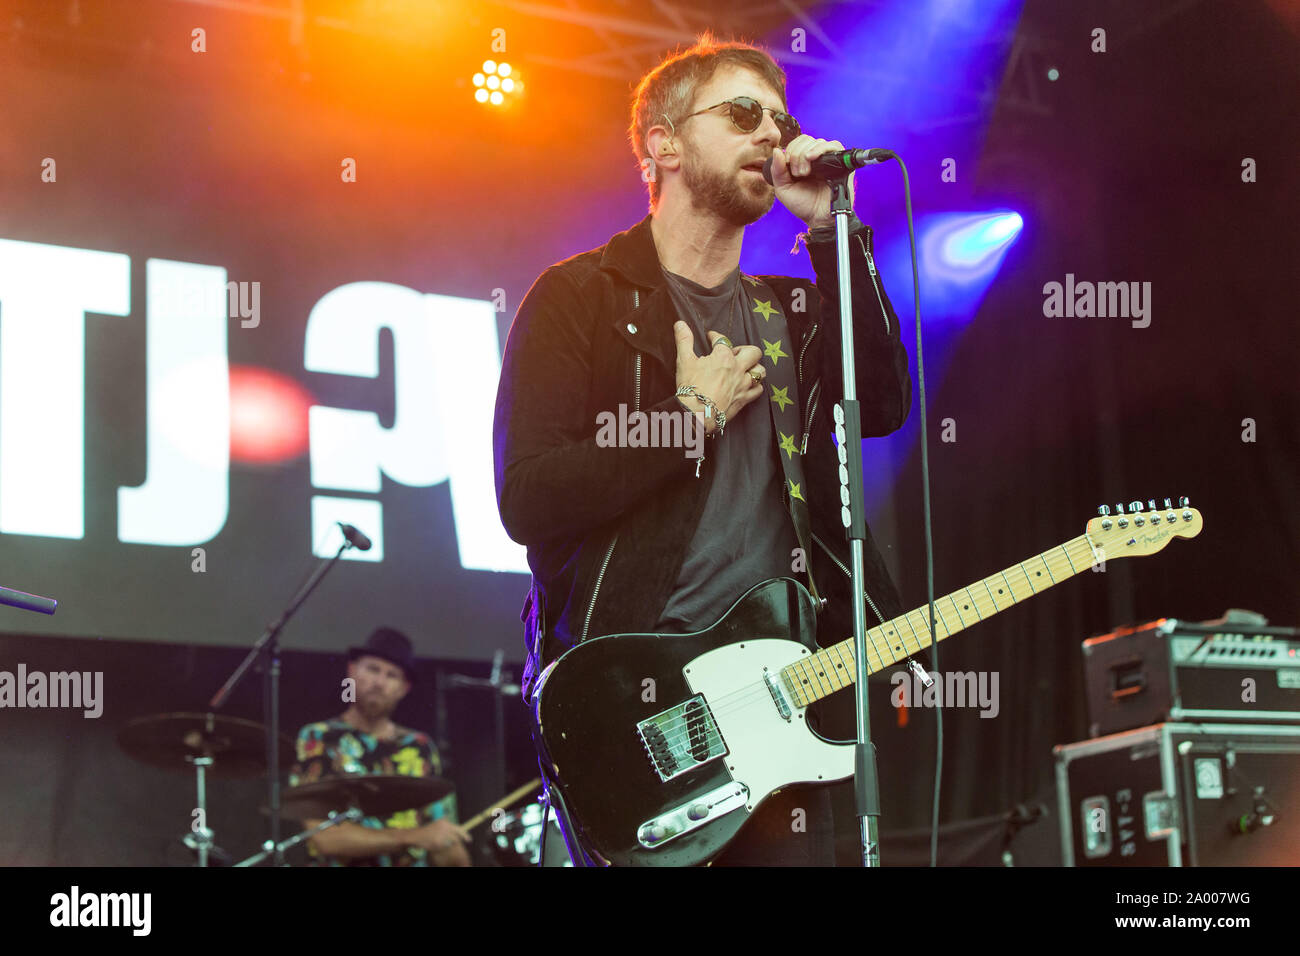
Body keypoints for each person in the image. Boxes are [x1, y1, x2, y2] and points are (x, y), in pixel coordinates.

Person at [492, 33, 911, 865]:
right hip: (638, 703)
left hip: (781, 703)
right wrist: (688, 422)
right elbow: (528, 497)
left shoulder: (791, 308)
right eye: (742, 113)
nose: (772, 135)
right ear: (665, 144)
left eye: (780, 118)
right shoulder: (580, 296)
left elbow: (886, 405)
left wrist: (833, 234)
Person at [289, 627, 471, 866]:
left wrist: (448, 844)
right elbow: (325, 837)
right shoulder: (319, 738)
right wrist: (415, 837)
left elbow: (444, 840)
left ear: (403, 688)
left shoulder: (420, 747)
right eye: (372, 669)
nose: (379, 682)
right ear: (352, 671)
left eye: (391, 675)